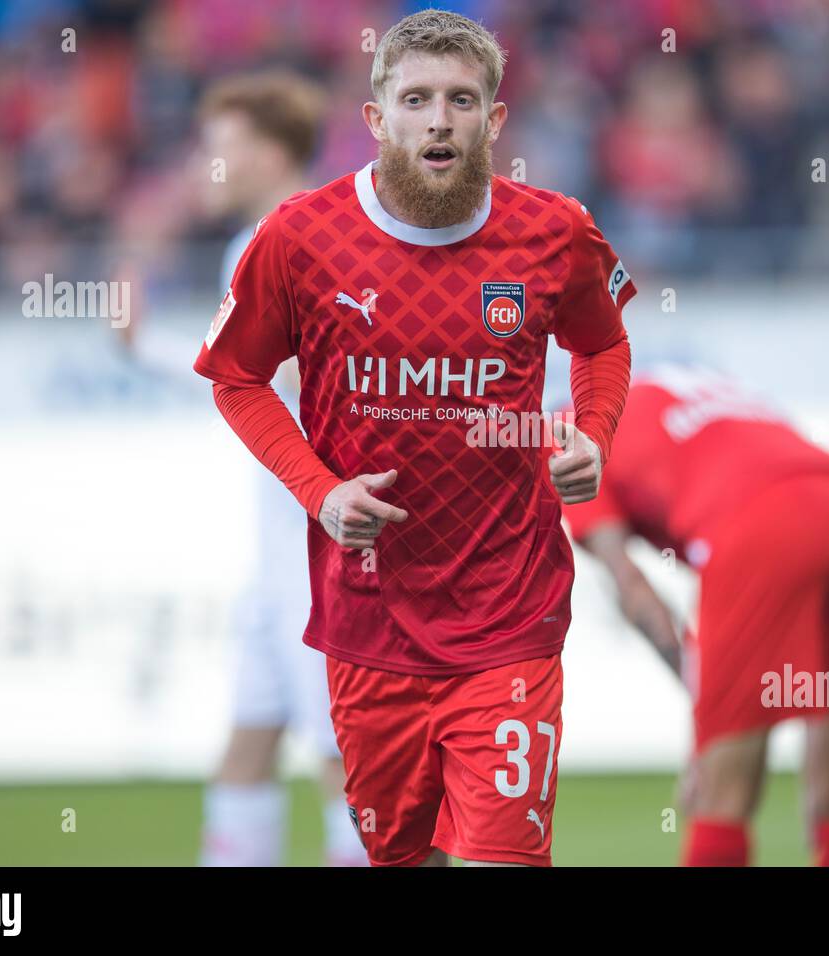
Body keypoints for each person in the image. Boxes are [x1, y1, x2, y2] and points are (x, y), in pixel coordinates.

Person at [192, 9, 635, 867]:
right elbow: (235, 378)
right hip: (368, 630)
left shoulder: (554, 232)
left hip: (509, 620)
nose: (440, 119)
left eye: (462, 100)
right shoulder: (297, 238)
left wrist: (596, 433)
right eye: (418, 98)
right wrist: (319, 492)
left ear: (494, 120)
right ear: (377, 118)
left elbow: (603, 341)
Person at [119, 69, 366, 866]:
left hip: (317, 544)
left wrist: (150, 351)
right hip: (277, 549)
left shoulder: (292, 240)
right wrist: (147, 350)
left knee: (341, 753)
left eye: (219, 147)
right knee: (250, 743)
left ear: (265, 152)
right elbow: (246, 384)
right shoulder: (253, 242)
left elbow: (295, 387)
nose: (204, 165)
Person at [561, 365, 829, 866]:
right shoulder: (696, 386)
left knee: (720, 799)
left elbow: (635, 591)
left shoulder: (568, 429)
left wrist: (708, 698)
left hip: (765, 525)